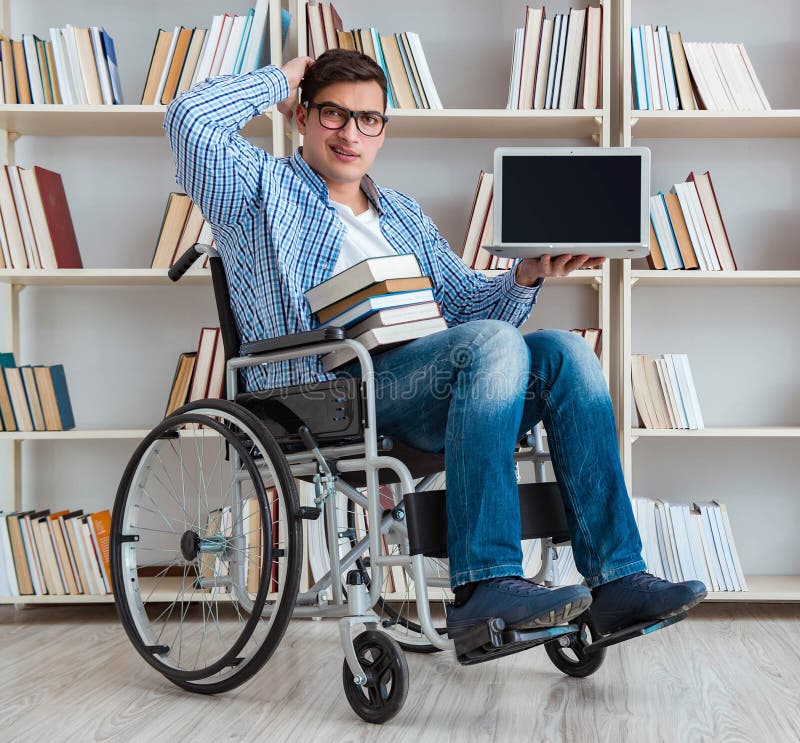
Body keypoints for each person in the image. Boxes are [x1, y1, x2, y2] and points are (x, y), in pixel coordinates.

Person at [164, 48, 706, 639]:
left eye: (368, 119)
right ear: (301, 116)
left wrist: (527, 275)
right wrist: (286, 75)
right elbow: (189, 117)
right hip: (322, 391)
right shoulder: (255, 190)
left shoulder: (401, 212)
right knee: (493, 345)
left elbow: (467, 305)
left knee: (565, 354)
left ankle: (617, 581)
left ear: (383, 130)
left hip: (426, 380)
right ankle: (485, 584)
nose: (350, 133)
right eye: (332, 114)